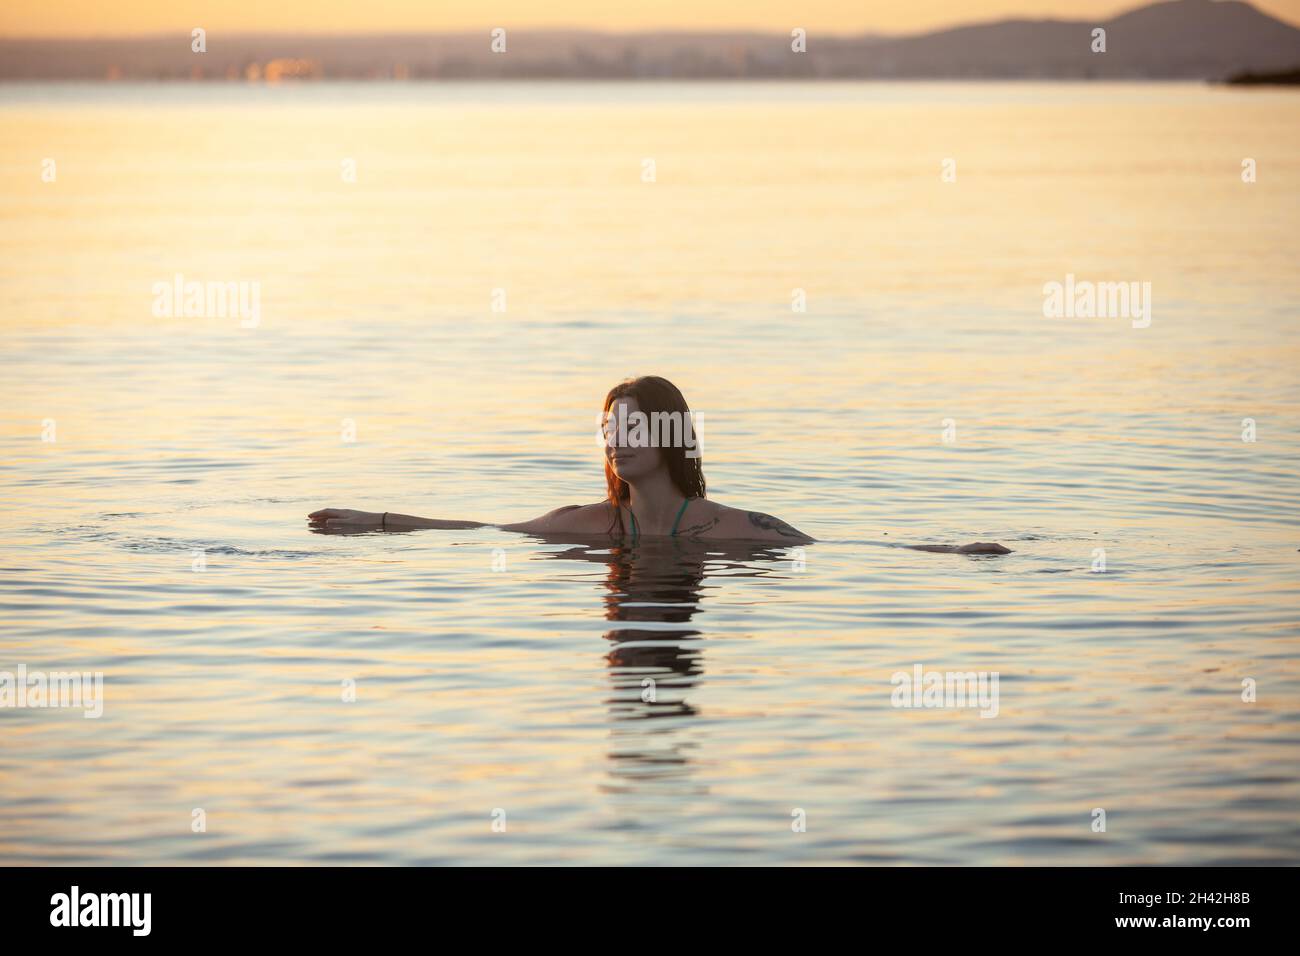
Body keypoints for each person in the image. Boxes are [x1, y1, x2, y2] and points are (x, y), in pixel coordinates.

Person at [307, 375, 1009, 553]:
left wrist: (948, 549)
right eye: (608, 428)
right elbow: (482, 531)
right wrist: (374, 519)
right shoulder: (585, 524)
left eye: (634, 426)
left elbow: (833, 552)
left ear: (673, 436)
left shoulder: (729, 527)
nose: (616, 440)